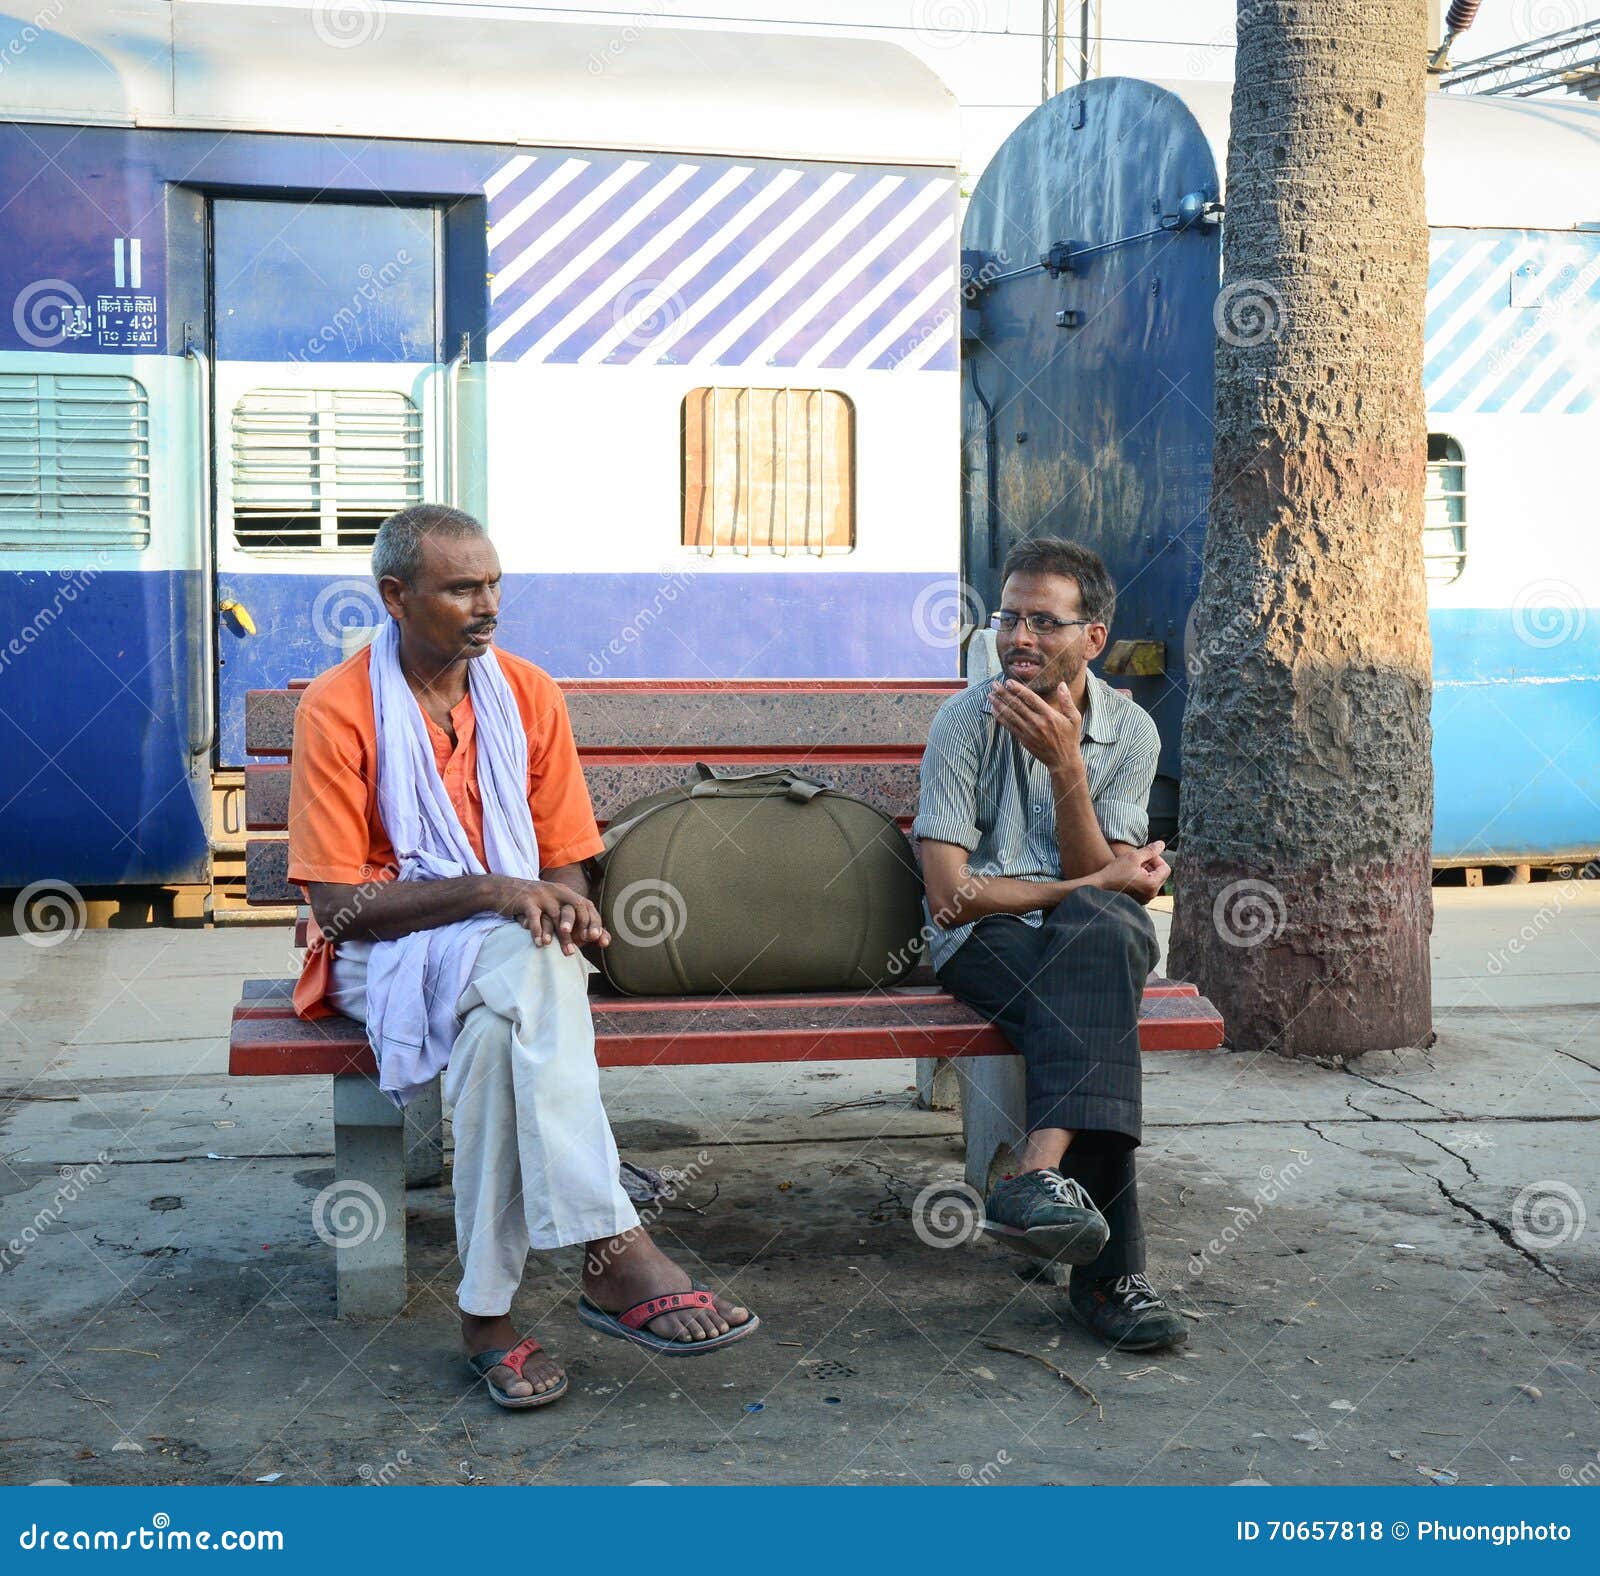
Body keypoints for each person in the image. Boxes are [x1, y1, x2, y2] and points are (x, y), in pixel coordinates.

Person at [286, 504, 758, 1410]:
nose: (487, 603)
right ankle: (615, 1251)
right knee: (530, 968)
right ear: (395, 596)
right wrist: (493, 893)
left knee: (504, 1038)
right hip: (379, 954)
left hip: (503, 959)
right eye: (462, 587)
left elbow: (563, 864)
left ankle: (486, 1319)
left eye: (495, 582)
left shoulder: (527, 693)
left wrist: (564, 910)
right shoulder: (337, 707)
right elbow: (341, 910)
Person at [914, 537, 1186, 1352]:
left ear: (1093, 638)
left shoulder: (1131, 734)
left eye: (1044, 621)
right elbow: (952, 897)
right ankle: (1112, 1280)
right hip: (986, 940)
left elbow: (1101, 881)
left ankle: (1035, 1173)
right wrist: (1094, 884)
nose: (1018, 638)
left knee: (1102, 936)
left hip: (1080, 940)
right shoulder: (966, 722)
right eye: (1008, 618)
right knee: (1101, 971)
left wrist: (1068, 768)